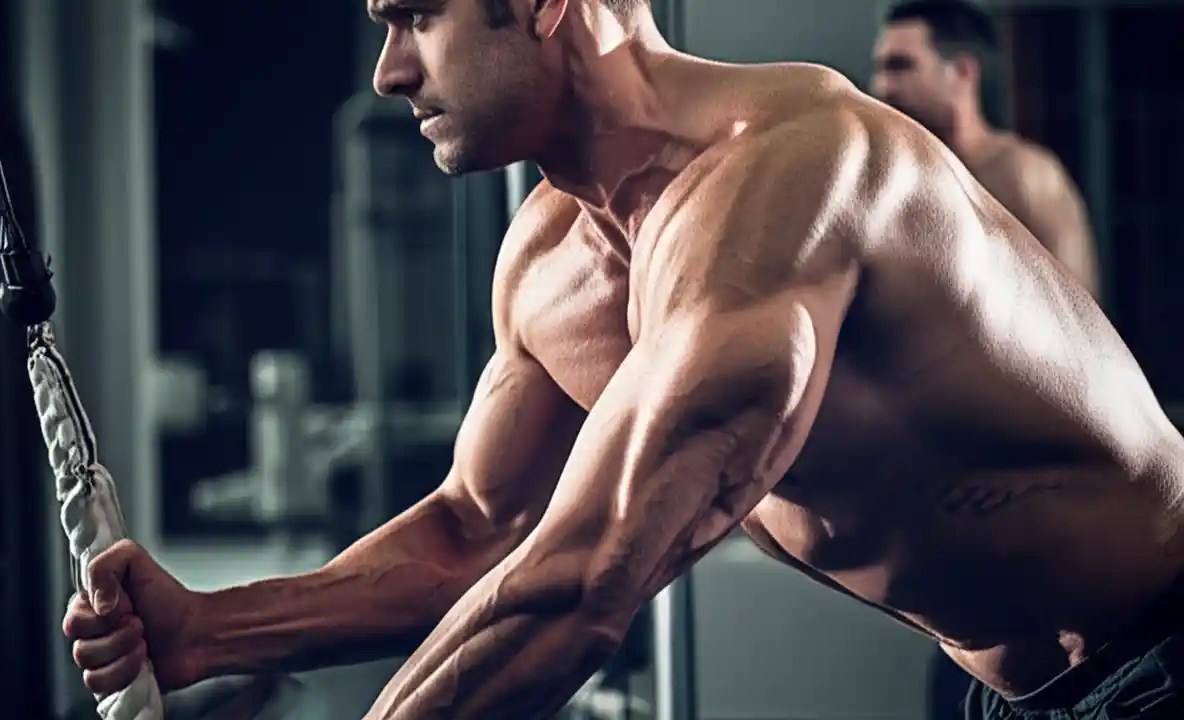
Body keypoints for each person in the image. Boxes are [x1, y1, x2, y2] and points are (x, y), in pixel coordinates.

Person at [63, 0, 1184, 718]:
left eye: (414, 17)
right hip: (1022, 690)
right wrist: (212, 627)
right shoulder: (551, 261)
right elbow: (475, 532)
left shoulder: (791, 179)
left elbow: (580, 587)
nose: (387, 72)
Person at [871, 0, 1103, 301]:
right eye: (880, 68)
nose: (883, 87)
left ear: (963, 72)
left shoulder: (1024, 176)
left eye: (900, 66)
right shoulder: (894, 180)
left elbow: (1081, 316)